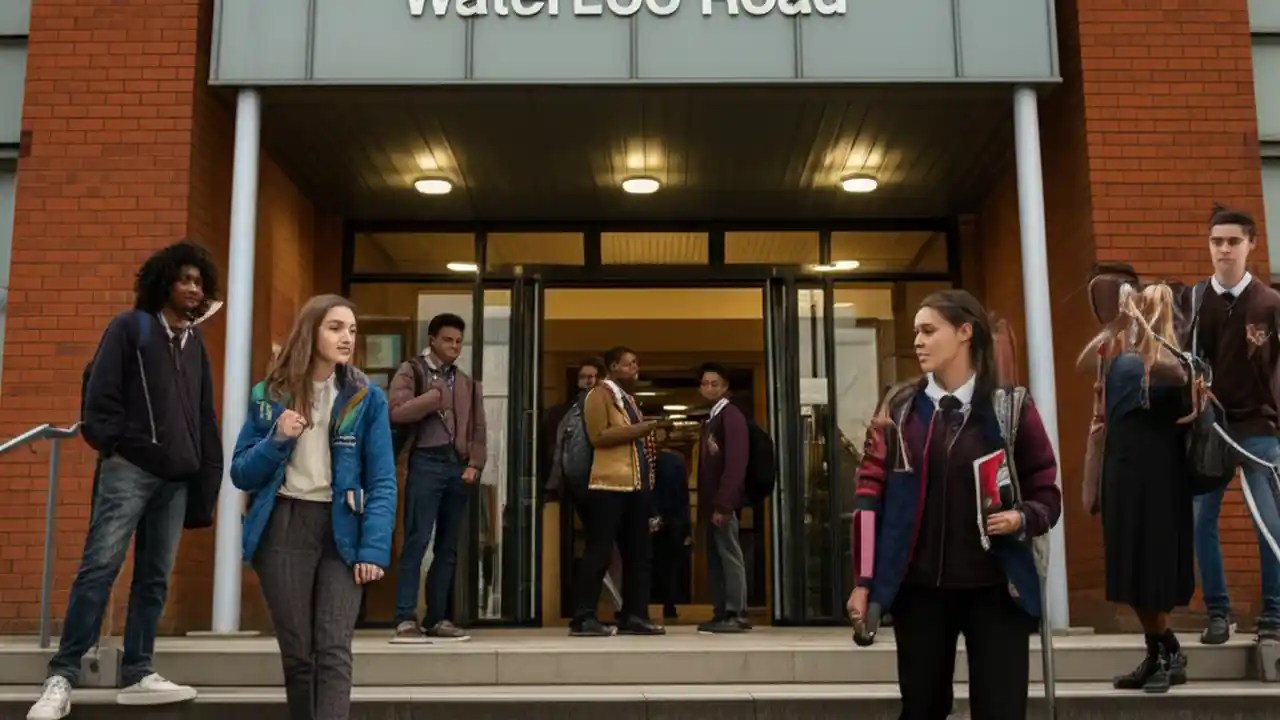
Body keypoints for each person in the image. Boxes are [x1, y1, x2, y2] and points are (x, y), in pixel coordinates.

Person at [28, 241, 223, 720]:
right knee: (100, 566)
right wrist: (119, 444)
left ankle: (138, 670)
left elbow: (204, 415)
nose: (193, 289)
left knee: (154, 578)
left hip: (176, 480)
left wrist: (204, 475)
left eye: (199, 282)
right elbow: (99, 396)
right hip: (129, 470)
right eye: (184, 280)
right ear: (163, 283)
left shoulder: (194, 344)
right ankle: (62, 674)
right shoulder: (129, 328)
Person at [846, 289, 1061, 720]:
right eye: (916, 332)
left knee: (1001, 711)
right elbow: (869, 495)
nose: (918, 342)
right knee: (922, 708)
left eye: (929, 331)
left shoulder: (1009, 408)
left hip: (997, 590)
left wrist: (1021, 518)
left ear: (965, 332)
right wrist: (864, 581)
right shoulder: (900, 410)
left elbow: (1046, 492)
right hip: (920, 592)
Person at [230, 294, 397, 720]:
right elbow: (241, 473)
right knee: (299, 654)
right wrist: (277, 438)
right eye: (335, 328)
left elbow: (382, 480)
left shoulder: (366, 398)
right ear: (311, 332)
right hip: (284, 526)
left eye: (352, 330)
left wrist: (373, 550)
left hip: (343, 530)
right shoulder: (271, 394)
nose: (347, 338)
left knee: (334, 647)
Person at [1083, 283, 1194, 692]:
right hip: (1121, 473)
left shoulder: (1175, 361)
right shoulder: (1117, 358)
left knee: (1152, 570)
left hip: (1159, 479)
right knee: (1127, 570)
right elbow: (1089, 378)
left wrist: (1153, 335)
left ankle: (1164, 654)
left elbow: (1179, 380)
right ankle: (1162, 650)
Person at [1188, 206, 1280, 645]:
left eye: (1233, 241)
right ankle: (1218, 613)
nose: (1224, 249)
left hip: (1260, 428)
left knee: (1269, 521)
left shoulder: (1270, 304)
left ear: (1251, 245)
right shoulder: (1194, 301)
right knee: (1201, 518)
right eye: (1217, 241)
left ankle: (1274, 616)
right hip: (1211, 429)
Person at [389, 313, 487, 643]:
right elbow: (396, 411)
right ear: (432, 340)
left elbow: (478, 428)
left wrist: (474, 464)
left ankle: (437, 618)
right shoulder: (412, 370)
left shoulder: (467, 382)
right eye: (448, 340)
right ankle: (405, 617)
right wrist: (432, 399)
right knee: (417, 540)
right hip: (425, 461)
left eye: (459, 341)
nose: (454, 346)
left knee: (448, 547)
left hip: (458, 465)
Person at [571, 346, 666, 637]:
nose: (634, 368)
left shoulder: (628, 399)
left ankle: (635, 615)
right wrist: (641, 429)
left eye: (636, 363)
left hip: (635, 485)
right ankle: (583, 617)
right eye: (628, 364)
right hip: (607, 484)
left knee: (639, 553)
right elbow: (598, 436)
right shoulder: (598, 394)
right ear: (613, 367)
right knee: (599, 551)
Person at [695, 362, 751, 634]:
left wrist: (724, 502)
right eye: (705, 383)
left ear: (725, 386)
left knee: (729, 554)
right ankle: (721, 610)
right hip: (711, 503)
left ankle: (735, 611)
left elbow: (736, 463)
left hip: (722, 503)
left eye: (714, 383)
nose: (709, 388)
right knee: (716, 557)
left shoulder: (731, 416)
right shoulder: (713, 418)